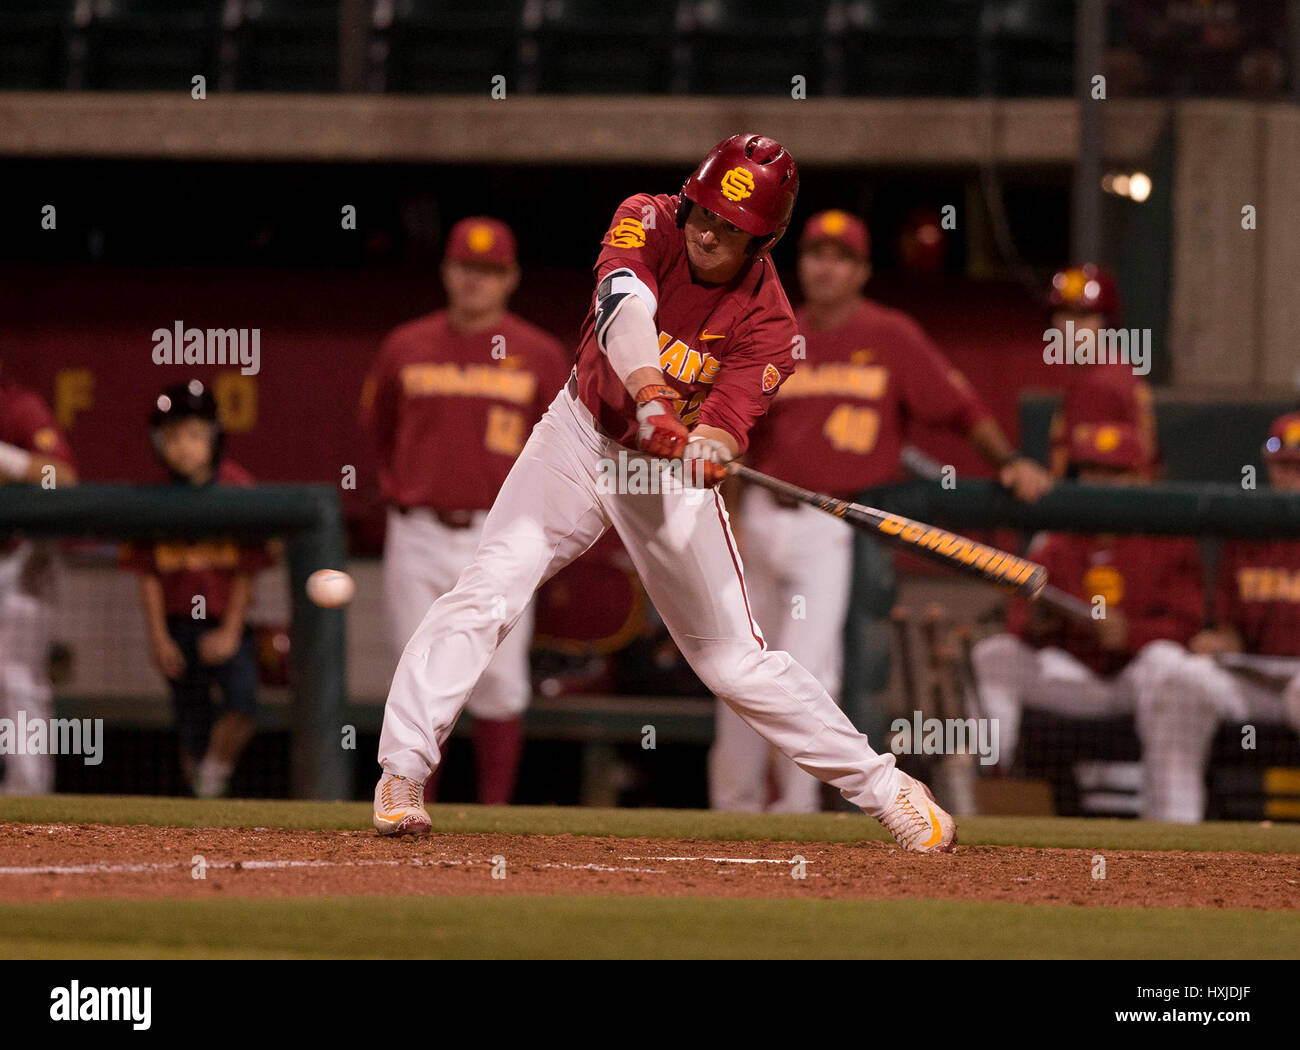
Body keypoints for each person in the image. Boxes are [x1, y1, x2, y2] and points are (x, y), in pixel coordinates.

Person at [372, 133, 956, 851]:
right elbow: (623, 305)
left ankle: (886, 787)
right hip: (581, 434)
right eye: (704, 214)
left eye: (730, 229)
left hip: (661, 474)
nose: (708, 234)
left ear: (763, 240)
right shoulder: (648, 216)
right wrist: (651, 395)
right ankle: (402, 771)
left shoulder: (772, 325)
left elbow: (730, 422)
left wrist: (710, 446)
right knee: (490, 588)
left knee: (732, 663)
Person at [710, 209, 1052, 813]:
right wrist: (727, 527)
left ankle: (792, 811)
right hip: (759, 517)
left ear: (863, 271)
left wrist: (1010, 460)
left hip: (829, 526)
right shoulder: (772, 330)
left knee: (808, 672)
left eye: (841, 257)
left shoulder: (890, 335)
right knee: (733, 670)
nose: (825, 267)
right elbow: (740, 436)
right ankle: (732, 807)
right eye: (816, 253)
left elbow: (959, 406)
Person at [360, 216, 570, 805]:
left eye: (490, 271)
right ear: (446, 271)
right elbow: (379, 435)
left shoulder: (539, 354)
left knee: (499, 680)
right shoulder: (406, 345)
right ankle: (411, 803)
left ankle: (496, 813)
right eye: (466, 268)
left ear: (511, 278)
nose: (475, 281)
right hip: (419, 529)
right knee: (421, 676)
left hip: (500, 535)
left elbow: (566, 452)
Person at [971, 422, 1201, 772]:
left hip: (1136, 679)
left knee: (1169, 663)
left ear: (1142, 478)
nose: (1100, 481)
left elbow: (1190, 628)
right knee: (994, 655)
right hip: (1073, 675)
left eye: (1115, 472)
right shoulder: (1055, 542)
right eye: (1091, 470)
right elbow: (1017, 624)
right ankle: (991, 779)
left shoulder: (1169, 540)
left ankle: (1171, 814)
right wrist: (1039, 624)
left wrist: (1131, 634)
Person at [1138, 413, 1300, 822]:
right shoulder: (1249, 527)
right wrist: (1222, 640)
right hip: (1257, 679)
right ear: (1269, 464)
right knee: (1185, 681)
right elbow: (1229, 625)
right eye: (1284, 466)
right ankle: (1174, 838)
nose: (1292, 476)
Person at [121, 381, 271, 798]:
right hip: (177, 623)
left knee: (242, 703)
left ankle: (214, 775)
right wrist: (158, 637)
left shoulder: (237, 487)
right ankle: (197, 805)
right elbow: (146, 573)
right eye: (171, 437)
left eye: (192, 434)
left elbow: (248, 568)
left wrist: (230, 631)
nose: (182, 446)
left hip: (227, 620)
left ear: (214, 436)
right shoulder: (152, 497)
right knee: (191, 718)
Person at [0, 354, 78, 794]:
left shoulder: (18, 407)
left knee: (16, 680)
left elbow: (61, 476)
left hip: (18, 558)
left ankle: (27, 797)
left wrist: (10, 461)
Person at [1045, 264, 1158, 479]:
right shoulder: (1105, 369)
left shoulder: (1102, 381)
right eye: (1062, 314)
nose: (1069, 326)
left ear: (1105, 323)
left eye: (1082, 317)